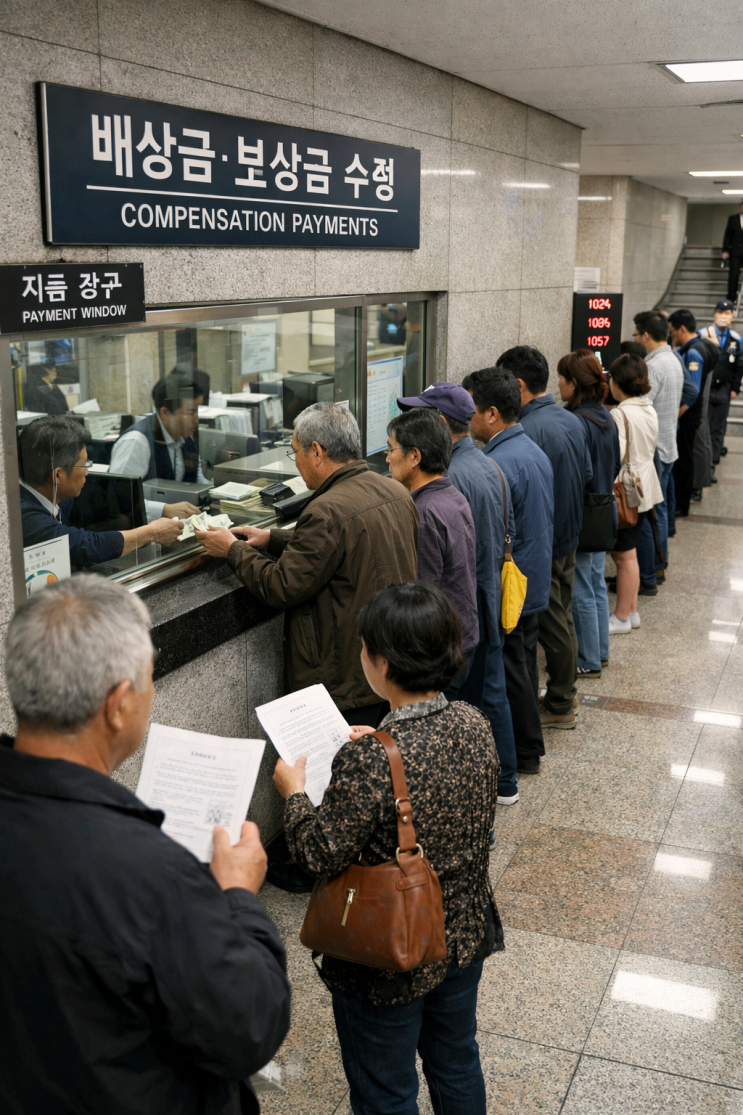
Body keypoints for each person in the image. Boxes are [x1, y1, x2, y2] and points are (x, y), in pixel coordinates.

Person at [0, 576, 291, 1115]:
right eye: (149, 680)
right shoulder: (148, 871)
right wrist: (239, 899)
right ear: (116, 705)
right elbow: (248, 1025)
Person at [273, 581, 502, 1115]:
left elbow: (316, 852)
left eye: (364, 649)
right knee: (455, 1061)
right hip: (461, 931)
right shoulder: (474, 723)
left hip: (389, 952)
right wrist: (378, 738)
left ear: (383, 664)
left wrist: (294, 795)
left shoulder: (372, 762)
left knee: (387, 1089)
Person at [195, 403, 419, 725]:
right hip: (391, 666)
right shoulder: (396, 492)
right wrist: (271, 539)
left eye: (295, 452)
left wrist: (231, 549)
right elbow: (347, 544)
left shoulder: (326, 510)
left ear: (317, 451)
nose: (296, 462)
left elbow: (282, 586)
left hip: (344, 679)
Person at [396, 382, 520, 804]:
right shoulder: (485, 464)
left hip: (454, 621)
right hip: (474, 608)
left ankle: (481, 796)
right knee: (487, 699)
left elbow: (425, 585)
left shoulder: (445, 487)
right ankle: (500, 786)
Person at [462, 368, 555, 765]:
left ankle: (526, 751)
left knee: (512, 672)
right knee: (523, 666)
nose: (467, 422)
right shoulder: (529, 449)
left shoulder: (498, 462)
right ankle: (528, 745)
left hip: (511, 586)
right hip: (532, 579)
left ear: (492, 414)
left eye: (471, 411)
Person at [497, 346, 592, 731]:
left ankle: (560, 702)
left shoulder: (528, 431)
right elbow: (585, 475)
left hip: (543, 545)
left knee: (551, 625)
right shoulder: (570, 420)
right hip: (569, 535)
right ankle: (561, 693)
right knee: (563, 616)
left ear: (518, 385)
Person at [18, 416, 182, 568]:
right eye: (83, 466)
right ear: (58, 475)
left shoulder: (46, 491)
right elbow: (85, 546)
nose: (87, 473)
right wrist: (151, 533)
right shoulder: (24, 515)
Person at [385, 408, 479, 658]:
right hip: (462, 632)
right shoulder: (452, 496)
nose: (387, 459)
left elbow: (423, 594)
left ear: (414, 456)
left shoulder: (424, 513)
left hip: (441, 648)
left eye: (391, 449)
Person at [557, 351, 620, 678]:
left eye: (562, 378)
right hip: (603, 509)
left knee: (581, 586)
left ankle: (589, 660)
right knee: (594, 582)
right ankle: (600, 652)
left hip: (584, 512)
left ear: (574, 383)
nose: (558, 384)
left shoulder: (578, 421)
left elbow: (578, 472)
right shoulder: (606, 416)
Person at [607, 354, 663, 634]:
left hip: (627, 489)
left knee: (624, 556)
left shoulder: (621, 413)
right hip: (645, 486)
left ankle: (620, 618)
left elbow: (615, 456)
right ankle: (631, 611)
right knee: (630, 553)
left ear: (617, 383)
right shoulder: (647, 407)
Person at [109, 369, 210, 522]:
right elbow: (119, 499)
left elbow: (196, 479)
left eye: (197, 411)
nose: (196, 420)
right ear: (165, 413)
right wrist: (164, 509)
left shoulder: (185, 437)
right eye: (190, 413)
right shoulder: (137, 442)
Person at [632, 310, 684, 591]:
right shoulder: (673, 359)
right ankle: (659, 567)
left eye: (637, 335)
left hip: (654, 450)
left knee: (648, 514)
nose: (638, 340)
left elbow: (640, 406)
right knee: (659, 511)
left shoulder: (654, 366)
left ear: (646, 335)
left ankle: (649, 571)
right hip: (668, 445)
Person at [667, 310, 707, 518]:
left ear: (682, 329)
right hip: (687, 414)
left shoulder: (693, 352)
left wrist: (677, 413)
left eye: (673, 331)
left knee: (684, 459)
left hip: (688, 415)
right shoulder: (693, 347)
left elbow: (692, 390)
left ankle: (681, 504)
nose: (672, 335)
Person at [699, 299, 743, 470]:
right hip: (706, 388)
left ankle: (712, 464)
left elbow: (739, 365)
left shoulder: (736, 339)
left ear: (733, 316)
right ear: (714, 314)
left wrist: (735, 388)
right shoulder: (704, 334)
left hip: (724, 389)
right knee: (705, 427)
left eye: (727, 313)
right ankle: (704, 464)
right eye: (720, 313)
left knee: (718, 427)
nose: (724, 317)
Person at [721, 199, 743, 303]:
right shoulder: (733, 218)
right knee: (733, 275)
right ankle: (731, 297)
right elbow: (728, 235)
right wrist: (725, 250)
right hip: (736, 252)